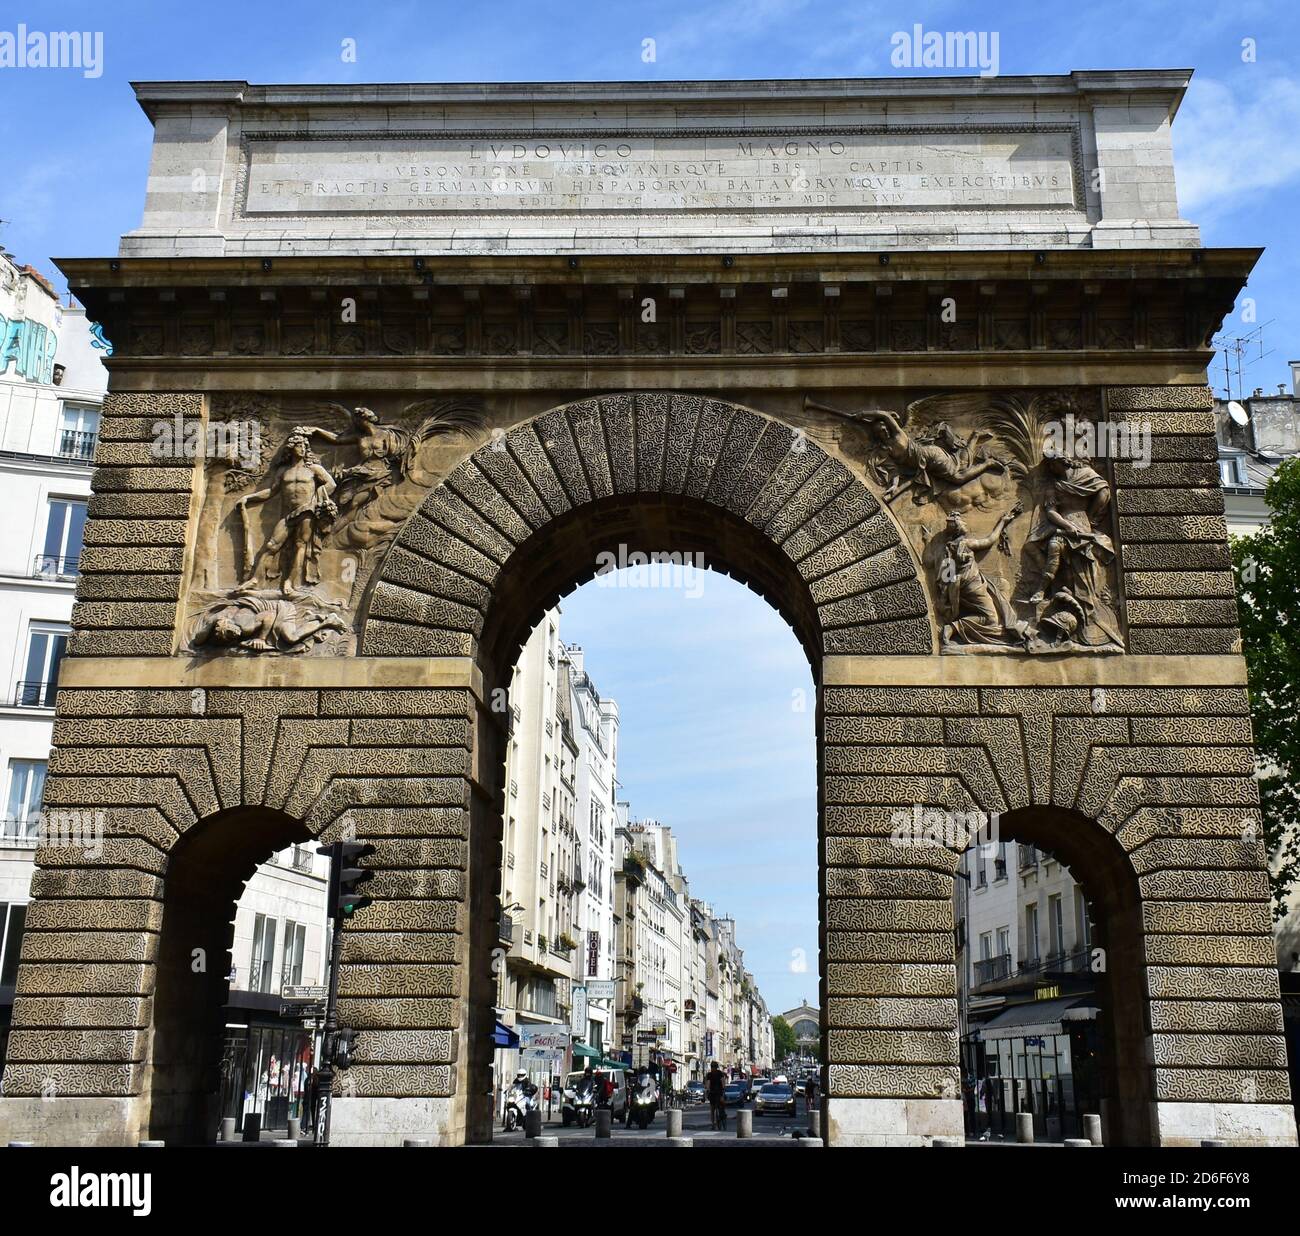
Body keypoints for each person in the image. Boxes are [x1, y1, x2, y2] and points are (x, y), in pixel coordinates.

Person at [706, 1060, 727, 1131]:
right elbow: (723, 1081)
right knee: (721, 1103)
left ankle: (713, 1124)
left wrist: (708, 1090)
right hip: (718, 1092)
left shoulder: (709, 1074)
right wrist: (724, 1088)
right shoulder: (720, 1073)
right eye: (713, 1067)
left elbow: (708, 1083)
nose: (713, 1068)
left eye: (713, 1067)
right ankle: (722, 1114)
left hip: (713, 1093)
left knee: (712, 1109)